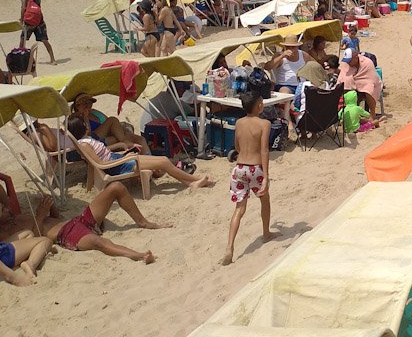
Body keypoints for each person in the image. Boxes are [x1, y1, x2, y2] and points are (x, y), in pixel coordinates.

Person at [29, 184, 169, 264]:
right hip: (68, 234)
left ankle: (144, 223)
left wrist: (49, 207)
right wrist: (40, 216)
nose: (6, 210)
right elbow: (35, 240)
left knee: (116, 187)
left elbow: (55, 219)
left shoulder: (19, 216)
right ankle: (140, 255)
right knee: (99, 242)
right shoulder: (12, 229)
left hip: (76, 221)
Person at [68, 116, 213, 191]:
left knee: (162, 161)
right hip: (117, 166)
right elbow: (101, 164)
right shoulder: (85, 144)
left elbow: (103, 154)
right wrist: (127, 157)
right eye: (84, 122)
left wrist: (122, 149)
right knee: (163, 161)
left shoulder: (87, 140)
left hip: (118, 159)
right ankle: (194, 180)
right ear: (83, 127)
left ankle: (191, 182)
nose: (87, 123)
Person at [222, 93, 279, 266]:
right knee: (265, 200)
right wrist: (266, 176)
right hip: (255, 168)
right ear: (259, 106)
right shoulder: (264, 124)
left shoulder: (239, 123)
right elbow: (264, 150)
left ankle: (229, 247)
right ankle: (266, 233)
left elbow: (237, 146)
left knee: (239, 209)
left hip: (239, 168)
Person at [70, 92, 151, 153]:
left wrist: (121, 130)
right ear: (77, 106)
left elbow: (111, 125)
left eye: (89, 103)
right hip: (93, 141)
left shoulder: (95, 113)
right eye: (84, 104)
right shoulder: (75, 118)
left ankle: (149, 162)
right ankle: (125, 141)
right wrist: (85, 117)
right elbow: (85, 136)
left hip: (107, 139)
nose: (87, 105)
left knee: (139, 139)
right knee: (113, 120)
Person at [19, 0, 57, 65]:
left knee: (22, 39)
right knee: (45, 40)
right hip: (39, 22)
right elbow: (38, 9)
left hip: (29, 23)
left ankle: (20, 60)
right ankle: (53, 59)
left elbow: (23, 8)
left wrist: (21, 20)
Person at [337, 48, 384, 115]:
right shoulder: (345, 63)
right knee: (346, 89)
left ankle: (372, 115)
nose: (348, 62)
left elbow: (371, 79)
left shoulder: (367, 63)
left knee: (368, 90)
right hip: (354, 85)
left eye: (350, 60)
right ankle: (349, 113)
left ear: (356, 57)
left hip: (369, 85)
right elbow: (344, 77)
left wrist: (359, 85)